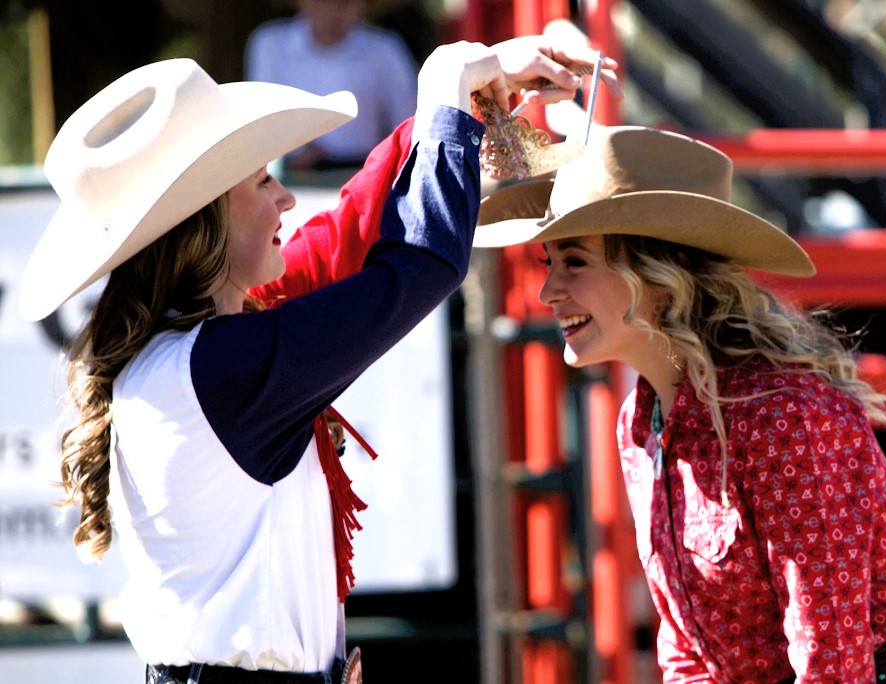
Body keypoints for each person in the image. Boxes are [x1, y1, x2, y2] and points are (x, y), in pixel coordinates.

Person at [20, 34, 620, 683]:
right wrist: (447, 85)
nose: (283, 199)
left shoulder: (198, 355)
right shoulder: (221, 366)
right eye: (261, 181)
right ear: (204, 222)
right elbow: (420, 267)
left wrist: (460, 100)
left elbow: (345, 236)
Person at [473, 126, 886, 682]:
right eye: (549, 263)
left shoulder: (782, 416)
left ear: (657, 275)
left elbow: (831, 658)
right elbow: (684, 643)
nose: (548, 292)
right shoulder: (640, 422)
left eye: (575, 263)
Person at [245, 0, 419, 170]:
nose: (335, 12)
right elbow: (259, 122)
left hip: (361, 174)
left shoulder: (386, 50)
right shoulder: (269, 44)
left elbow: (408, 126)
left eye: (346, 3)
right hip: (288, 176)